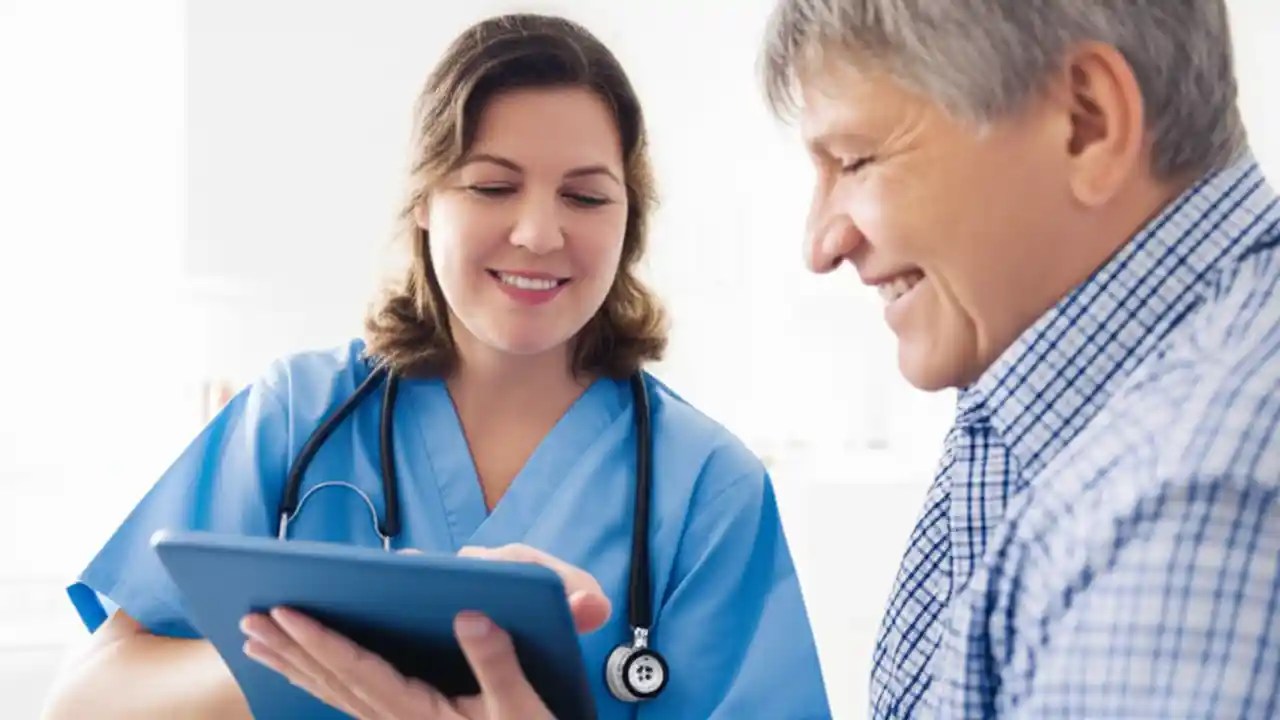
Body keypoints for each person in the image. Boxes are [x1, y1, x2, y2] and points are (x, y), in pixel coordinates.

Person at [40, 13, 831, 720]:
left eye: (587, 198)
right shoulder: (298, 415)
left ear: (631, 218)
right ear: (425, 199)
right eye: (492, 185)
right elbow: (83, 701)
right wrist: (336, 648)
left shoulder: (705, 487)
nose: (538, 233)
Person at [759, 0, 1280, 717]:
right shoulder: (1037, 394)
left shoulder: (1198, 497)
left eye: (856, 161)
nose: (821, 244)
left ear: (1086, 123)